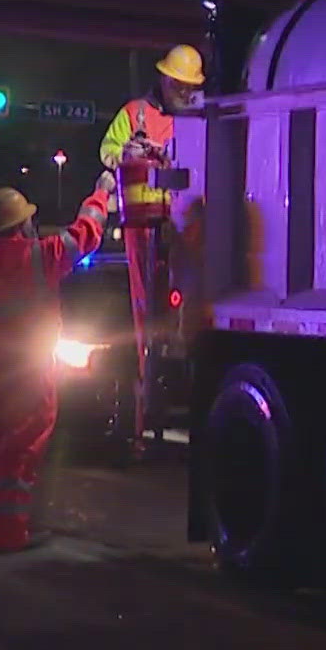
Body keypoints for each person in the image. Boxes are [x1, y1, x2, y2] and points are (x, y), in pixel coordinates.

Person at [0, 178, 112, 551]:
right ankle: (8, 534)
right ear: (22, 224)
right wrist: (101, 192)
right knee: (19, 454)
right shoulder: (41, 255)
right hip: (30, 373)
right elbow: (86, 234)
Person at [98, 43, 203, 442]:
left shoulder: (196, 116)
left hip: (183, 223)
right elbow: (107, 151)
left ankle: (179, 375)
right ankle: (145, 409)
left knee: (188, 305)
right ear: (164, 78)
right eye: (178, 83)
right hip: (143, 223)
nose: (182, 91)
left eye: (187, 85)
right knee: (145, 314)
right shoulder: (134, 113)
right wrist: (125, 152)